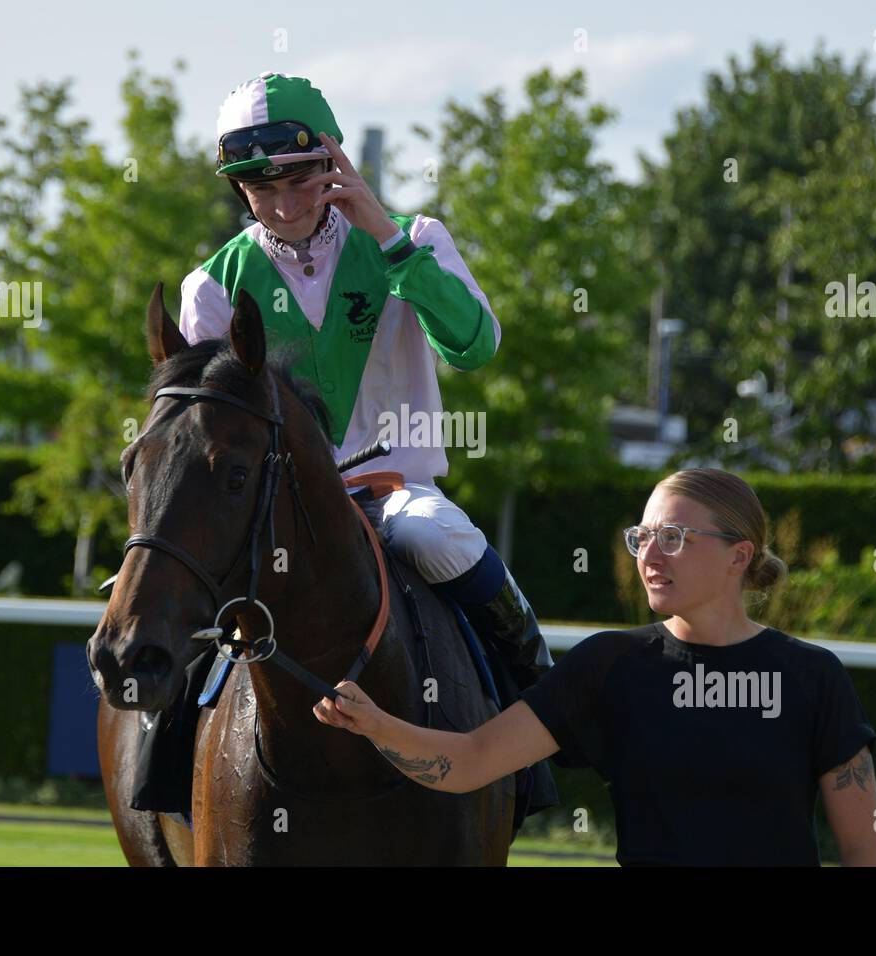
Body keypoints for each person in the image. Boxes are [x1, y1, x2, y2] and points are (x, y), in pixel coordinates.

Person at [131, 71, 558, 823]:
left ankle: (538, 691)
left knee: (443, 536)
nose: (283, 203)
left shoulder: (413, 240)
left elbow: (475, 346)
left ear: (334, 160)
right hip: (271, 511)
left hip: (394, 494)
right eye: (260, 187)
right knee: (183, 584)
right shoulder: (211, 287)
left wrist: (386, 236)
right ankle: (162, 769)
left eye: (300, 178)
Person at [314, 468, 876, 866]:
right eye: (643, 537)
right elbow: (472, 760)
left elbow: (866, 851)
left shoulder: (814, 677)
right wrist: (374, 723)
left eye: (674, 537)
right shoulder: (610, 666)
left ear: (739, 556)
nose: (649, 556)